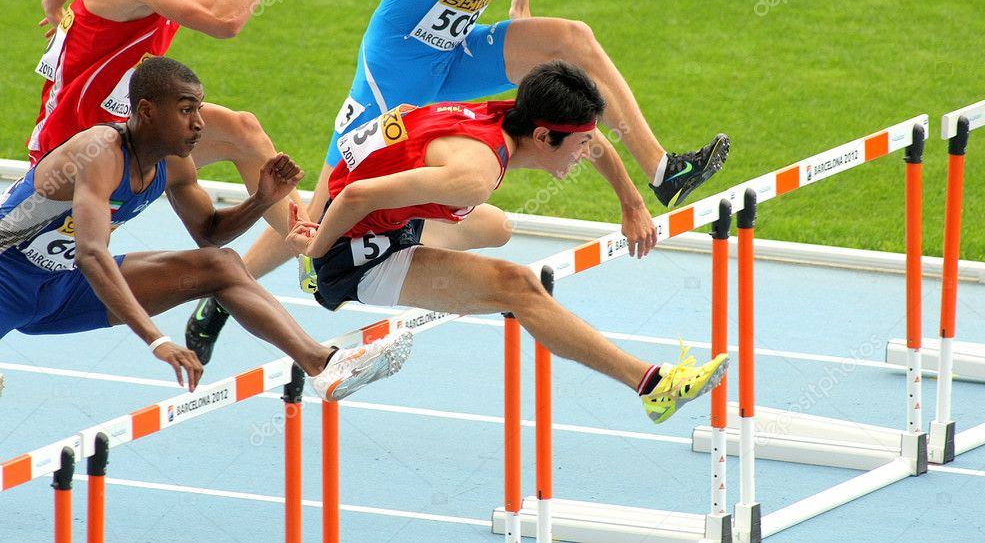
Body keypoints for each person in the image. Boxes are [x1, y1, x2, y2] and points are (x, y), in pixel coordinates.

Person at [187, 0, 731, 356]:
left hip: (455, 51)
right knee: (323, 201)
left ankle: (663, 170)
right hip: (396, 66)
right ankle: (225, 293)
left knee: (572, 39)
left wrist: (521, 5)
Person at [283, 61, 728, 424]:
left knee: (498, 229)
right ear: (541, 137)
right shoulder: (473, 176)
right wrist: (315, 249)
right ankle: (653, 386)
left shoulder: (508, 115)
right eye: (576, 145)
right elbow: (357, 196)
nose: (582, 154)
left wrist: (631, 204)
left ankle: (374, 247)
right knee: (519, 288)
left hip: (391, 214)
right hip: (352, 249)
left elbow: (594, 142)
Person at [0, 57, 411, 401]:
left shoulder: (173, 163)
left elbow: (210, 233)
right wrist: (157, 340)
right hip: (7, 281)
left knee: (223, 265)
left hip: (62, 287)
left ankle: (326, 364)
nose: (198, 123)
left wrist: (261, 199)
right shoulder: (100, 152)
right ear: (146, 111)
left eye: (198, 109)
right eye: (185, 110)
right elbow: (92, 252)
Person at [30, 0, 308, 284]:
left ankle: (313, 250)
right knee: (41, 277)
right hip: (77, 155)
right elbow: (223, 20)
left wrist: (54, 3)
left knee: (243, 131)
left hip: (132, 135)